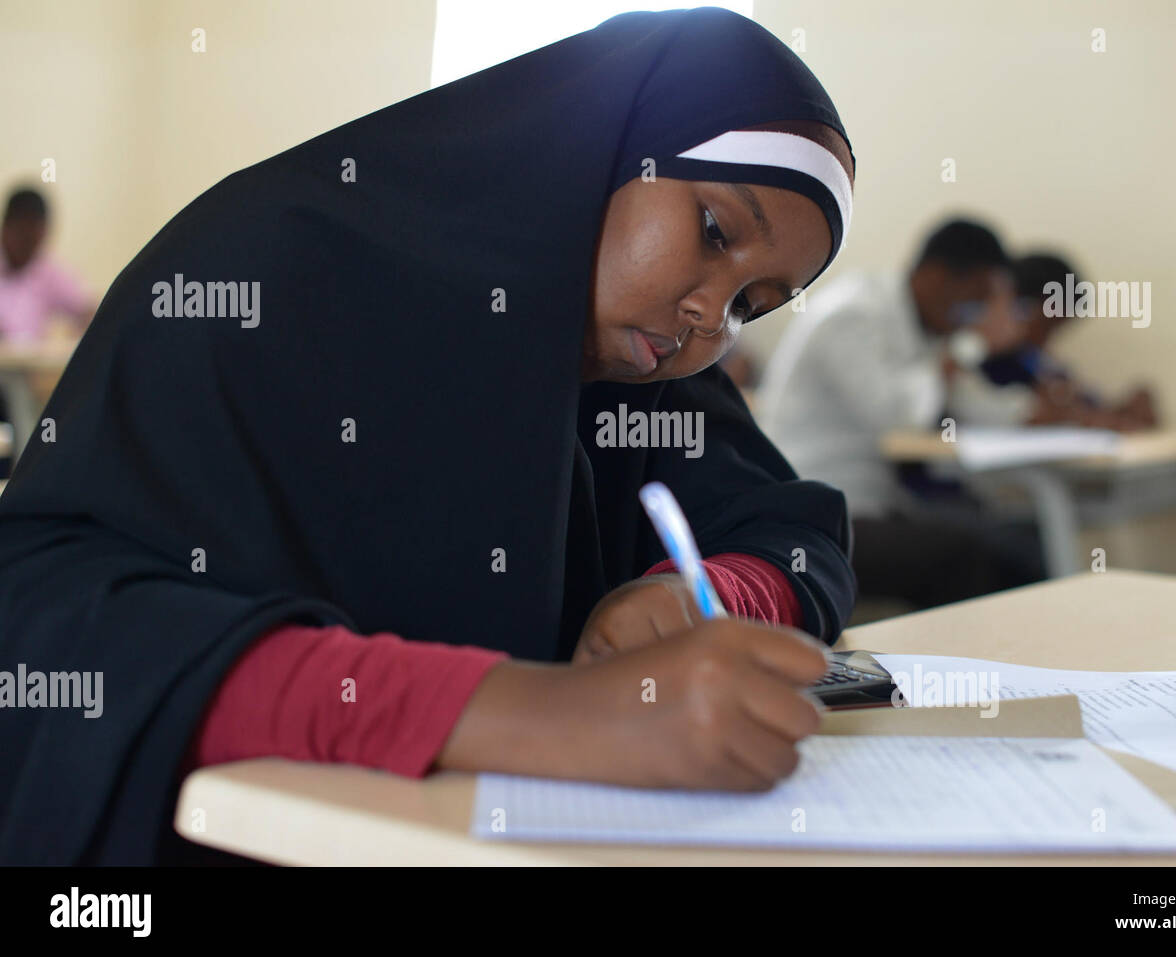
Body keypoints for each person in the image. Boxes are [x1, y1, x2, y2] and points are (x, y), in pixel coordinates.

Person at [0, 8, 859, 865]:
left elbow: (793, 537)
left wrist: (690, 593)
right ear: (599, 147)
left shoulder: (637, 364)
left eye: (754, 304)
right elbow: (57, 627)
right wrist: (530, 715)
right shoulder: (268, 268)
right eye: (713, 230)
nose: (712, 316)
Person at [760, 218, 1044, 610]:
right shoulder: (852, 315)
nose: (972, 316)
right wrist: (971, 345)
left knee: (1021, 539)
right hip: (810, 515)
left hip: (872, 504)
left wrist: (1037, 412)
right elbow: (897, 418)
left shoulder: (926, 325)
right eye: (973, 301)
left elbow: (971, 402)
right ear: (935, 276)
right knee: (962, 557)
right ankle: (956, 669)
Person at [955, 252, 1159, 430]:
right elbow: (1023, 413)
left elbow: (1078, 401)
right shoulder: (979, 361)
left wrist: (1120, 411)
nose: (1047, 341)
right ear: (1021, 308)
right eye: (1048, 327)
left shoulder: (1036, 362)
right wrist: (1075, 417)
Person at [0, 186, 95, 342]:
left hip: (30, 364)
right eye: (22, 236)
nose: (27, 247)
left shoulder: (48, 271)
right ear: (6, 228)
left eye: (34, 241)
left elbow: (90, 311)